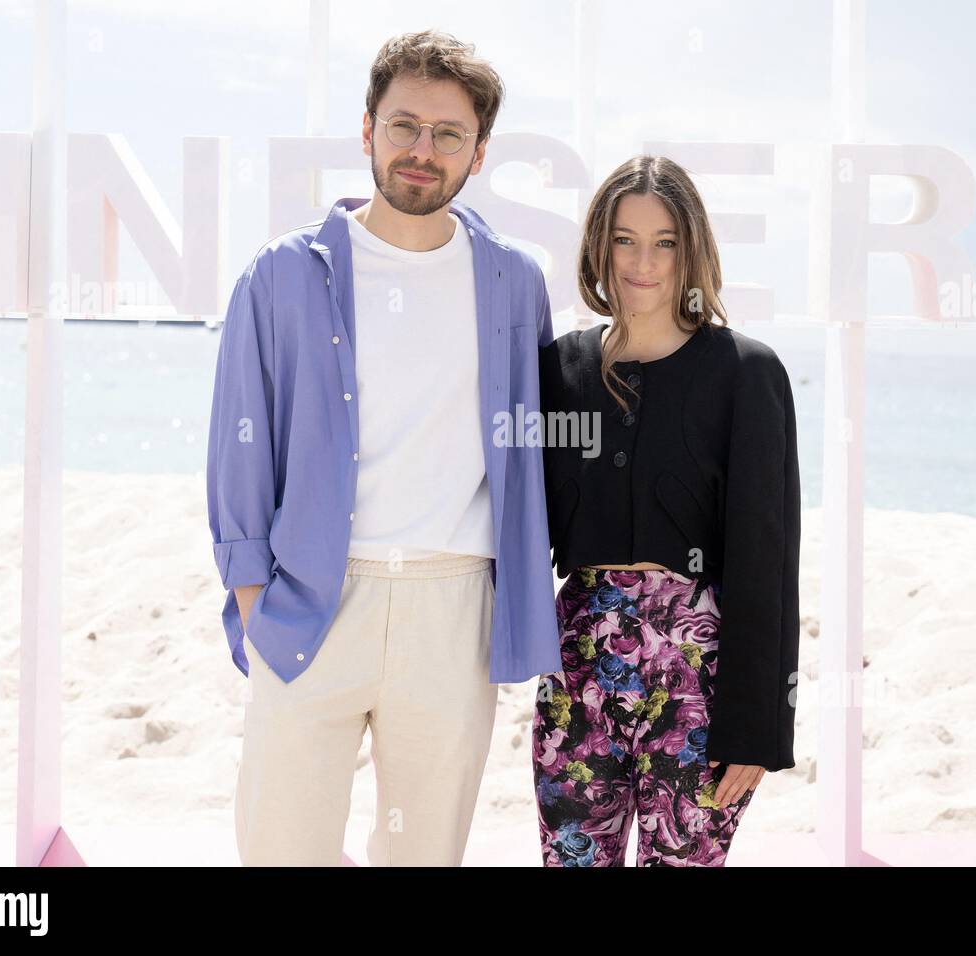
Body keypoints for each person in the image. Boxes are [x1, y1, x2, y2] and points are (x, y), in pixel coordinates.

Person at [206, 30, 561, 867]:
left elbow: (534, 448)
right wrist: (254, 596)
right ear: (367, 129)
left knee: (424, 855)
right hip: (311, 601)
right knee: (280, 849)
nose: (421, 151)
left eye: (448, 134)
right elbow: (237, 447)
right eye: (404, 125)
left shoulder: (514, 280)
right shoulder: (282, 275)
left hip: (453, 608)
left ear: (479, 154)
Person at [533, 155, 801, 866]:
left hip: (698, 676)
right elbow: (521, 521)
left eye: (664, 242)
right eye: (624, 239)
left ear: (693, 250)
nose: (641, 262)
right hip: (578, 662)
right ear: (598, 246)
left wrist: (759, 727)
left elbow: (766, 557)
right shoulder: (558, 373)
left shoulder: (745, 374)